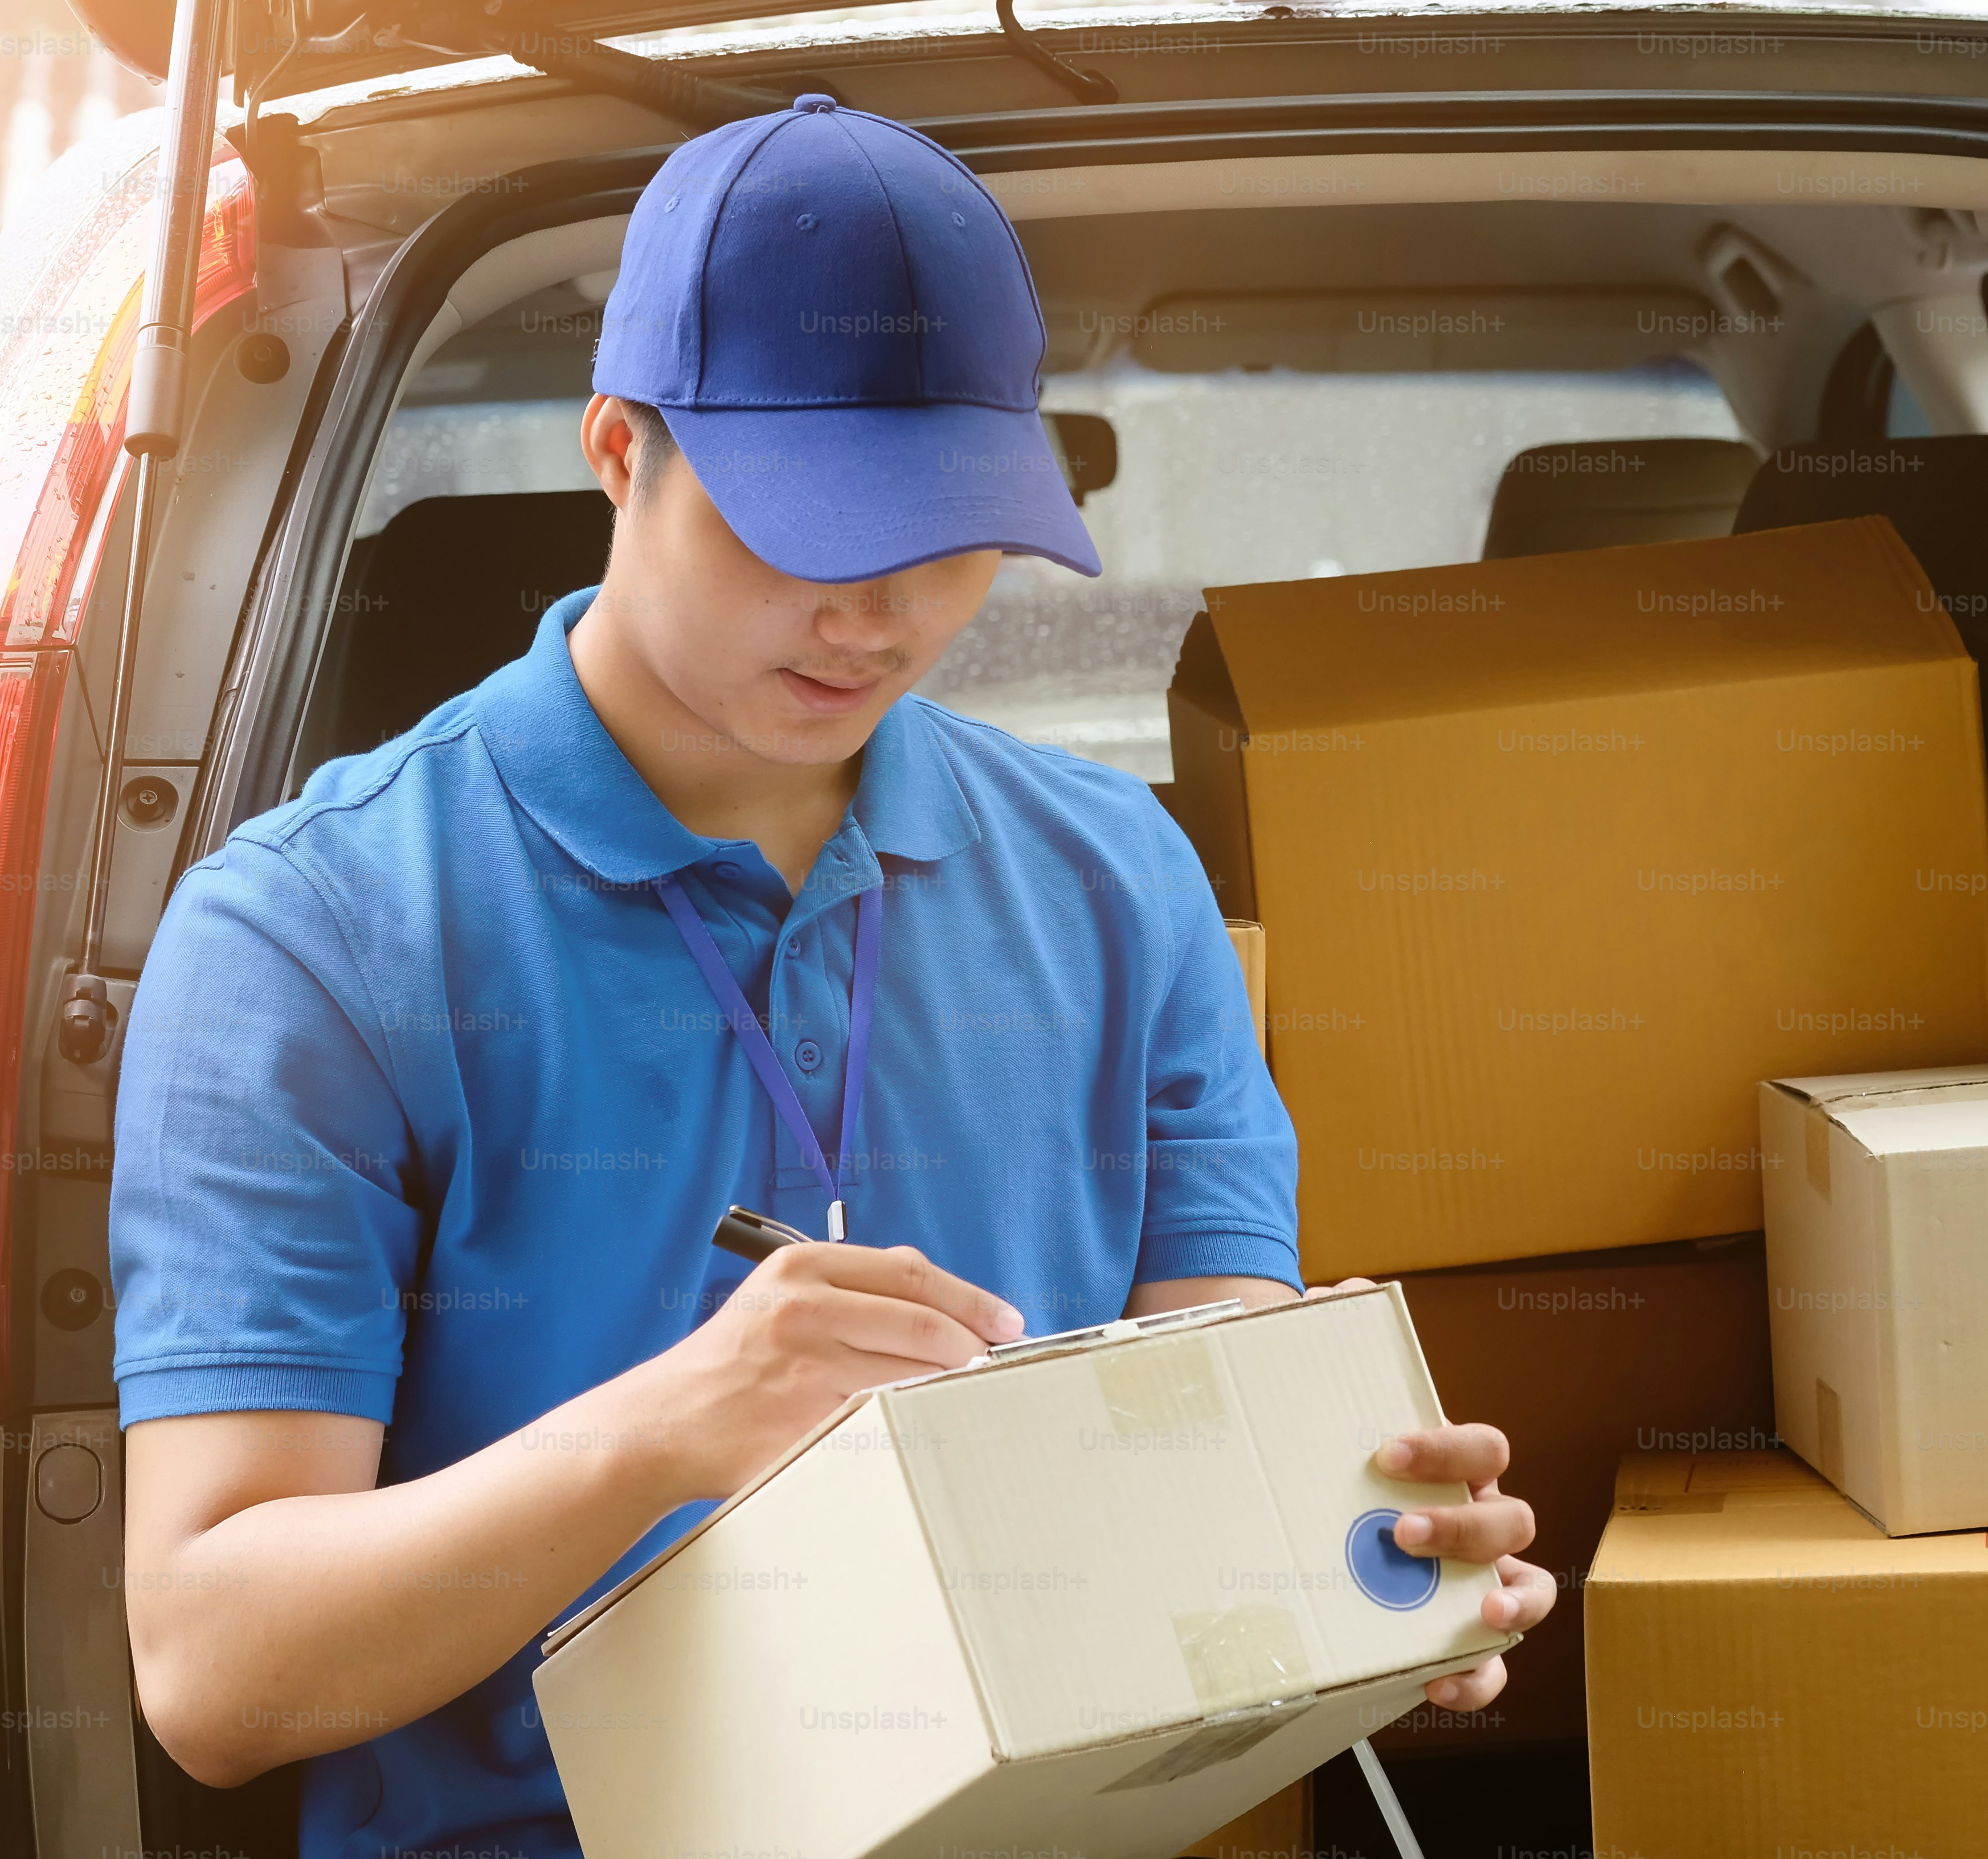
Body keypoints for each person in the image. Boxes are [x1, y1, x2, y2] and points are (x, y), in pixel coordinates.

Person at [108, 97, 1549, 1859]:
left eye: (945, 541)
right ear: (618, 449)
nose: (873, 617)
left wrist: (1369, 1580)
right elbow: (213, 1672)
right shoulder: (317, 936)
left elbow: (1214, 1424)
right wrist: (669, 1430)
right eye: (800, 533)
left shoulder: (1116, 882)